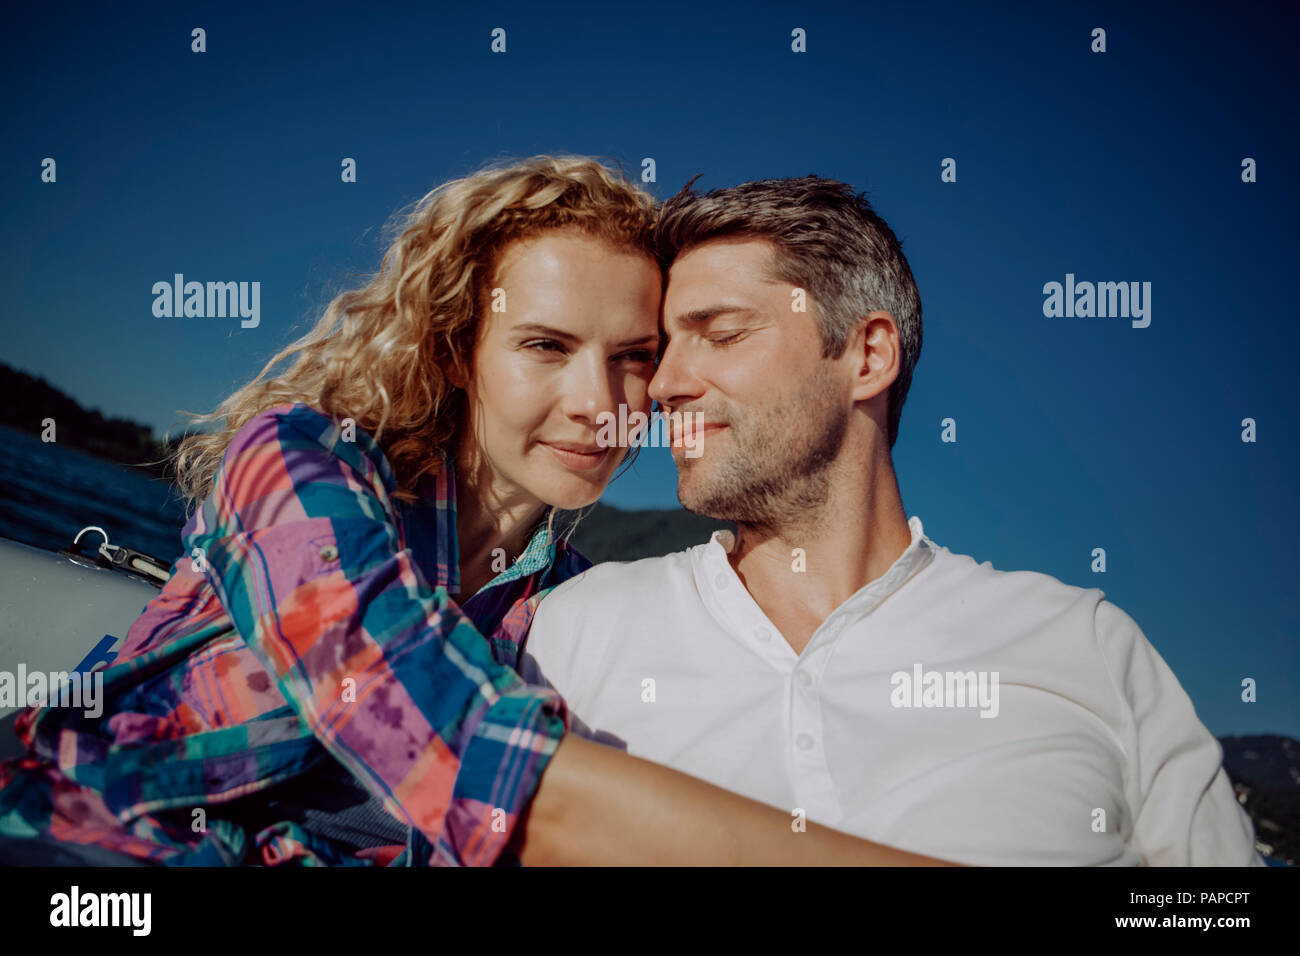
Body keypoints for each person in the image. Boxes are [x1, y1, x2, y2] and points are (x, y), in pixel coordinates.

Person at [0, 156, 954, 867]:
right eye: (545, 345)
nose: (600, 400)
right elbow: (448, 740)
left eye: (631, 355)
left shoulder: (575, 605)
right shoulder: (301, 466)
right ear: (460, 352)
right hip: (73, 842)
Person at [521, 174, 1266, 867]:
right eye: (661, 351)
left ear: (868, 355)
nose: (667, 386)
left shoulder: (1087, 646)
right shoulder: (573, 630)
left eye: (720, 334)